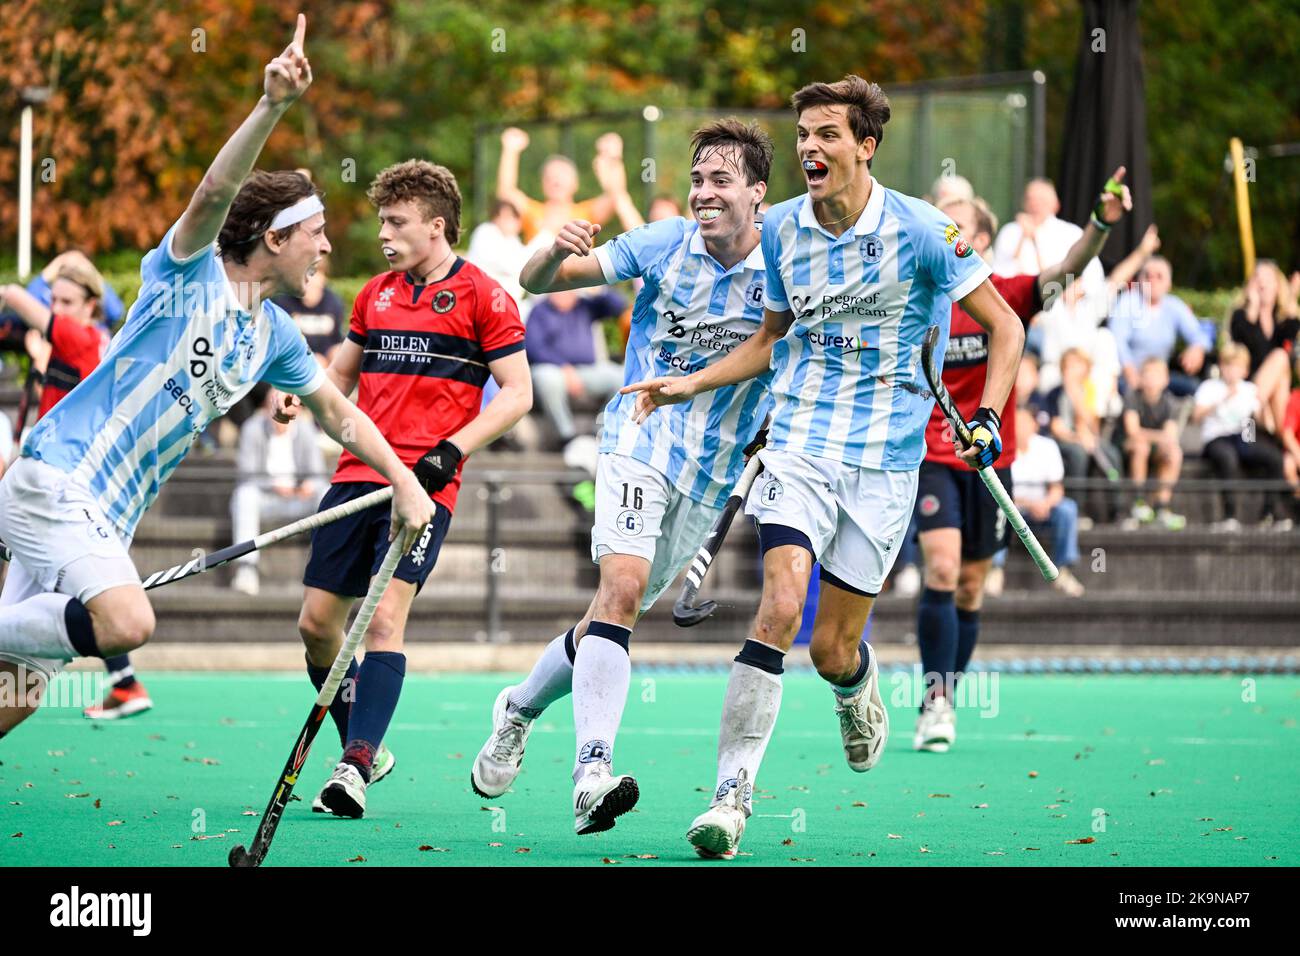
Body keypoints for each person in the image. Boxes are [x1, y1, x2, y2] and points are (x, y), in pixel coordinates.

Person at [0, 15, 434, 742]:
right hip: (60, 481)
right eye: (314, 232)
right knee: (127, 620)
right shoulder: (186, 274)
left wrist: (404, 479)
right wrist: (273, 105)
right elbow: (210, 194)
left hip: (107, 517)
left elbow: (339, 413)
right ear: (272, 238)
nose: (327, 245)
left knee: (16, 691)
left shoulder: (273, 335)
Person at [624, 76, 1023, 859]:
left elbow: (1004, 329)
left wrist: (987, 419)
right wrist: (691, 382)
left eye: (828, 134)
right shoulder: (780, 230)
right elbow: (773, 337)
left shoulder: (925, 230)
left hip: (886, 462)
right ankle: (731, 798)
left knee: (831, 650)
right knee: (778, 604)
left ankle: (853, 685)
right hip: (800, 441)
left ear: (865, 146)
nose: (810, 145)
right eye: (804, 133)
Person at [469, 119, 776, 839]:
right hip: (638, 432)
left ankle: (517, 709)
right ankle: (590, 774)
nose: (702, 192)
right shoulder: (663, 241)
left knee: (611, 612)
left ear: (758, 194)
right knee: (624, 587)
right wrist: (552, 251)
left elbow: (785, 346)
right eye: (697, 178)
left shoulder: (787, 257)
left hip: (714, 465)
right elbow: (538, 281)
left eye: (720, 180)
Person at [276, 158, 531, 818]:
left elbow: (519, 395)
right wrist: (298, 400)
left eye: (396, 222)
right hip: (355, 477)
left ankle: (355, 765)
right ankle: (364, 745)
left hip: (422, 489)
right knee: (315, 628)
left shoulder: (485, 296)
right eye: (382, 220)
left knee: (384, 618)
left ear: (436, 226)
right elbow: (340, 374)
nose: (383, 233)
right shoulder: (374, 294)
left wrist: (453, 450)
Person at [911, 167, 1132, 755]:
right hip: (932, 453)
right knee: (941, 567)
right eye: (939, 214)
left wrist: (1099, 227)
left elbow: (1065, 271)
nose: (945, 223)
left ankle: (948, 693)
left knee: (972, 588)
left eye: (958, 215)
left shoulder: (1005, 292)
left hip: (991, 456)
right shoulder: (914, 297)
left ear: (980, 238)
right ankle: (933, 701)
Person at [0, 263, 156, 720]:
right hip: (47, 484)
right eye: (55, 302)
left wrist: (11, 288)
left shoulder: (83, 339)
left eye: (67, 303)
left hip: (66, 494)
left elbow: (27, 309)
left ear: (92, 307)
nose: (56, 311)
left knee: (90, 604)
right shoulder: (75, 346)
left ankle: (125, 682)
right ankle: (124, 681)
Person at [230, 388, 327, 596]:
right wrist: (274, 486)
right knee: (245, 495)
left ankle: (327, 565)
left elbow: (318, 473)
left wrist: (308, 484)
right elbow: (246, 475)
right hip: (267, 499)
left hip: (299, 500)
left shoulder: (306, 430)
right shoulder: (252, 428)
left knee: (325, 493)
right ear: (267, 409)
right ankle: (246, 568)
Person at [1193, 343, 1290, 531]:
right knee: (1227, 458)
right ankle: (1229, 515)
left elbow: (1253, 424)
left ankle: (1270, 513)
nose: (1232, 371)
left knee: (1274, 457)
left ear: (1245, 370)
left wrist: (1264, 412)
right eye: (1229, 365)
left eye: (1237, 366)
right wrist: (1222, 399)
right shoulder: (1210, 387)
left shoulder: (1249, 389)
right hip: (1217, 436)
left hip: (1243, 434)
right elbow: (1196, 417)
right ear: (1222, 366)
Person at [496, 127, 625, 244]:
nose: (555, 180)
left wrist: (614, 158)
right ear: (542, 184)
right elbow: (506, 192)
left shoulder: (586, 213)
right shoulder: (533, 211)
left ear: (575, 183)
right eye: (550, 176)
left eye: (562, 175)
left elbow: (615, 196)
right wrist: (510, 151)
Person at [1110, 256, 1212, 397]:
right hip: (1129, 377)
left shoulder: (1174, 305)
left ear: (1168, 283)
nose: (1153, 280)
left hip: (1161, 379)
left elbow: (1200, 333)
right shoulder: (1127, 302)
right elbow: (1117, 342)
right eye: (1147, 275)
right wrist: (1130, 372)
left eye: (1159, 276)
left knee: (1197, 389)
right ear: (1139, 280)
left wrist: (1198, 348)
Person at [1009, 409, 1085, 595]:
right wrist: (1029, 504)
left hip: (1043, 508)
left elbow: (1057, 488)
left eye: (1025, 422)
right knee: (993, 508)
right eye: (1016, 422)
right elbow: (997, 490)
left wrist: (1045, 504)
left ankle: (1062, 571)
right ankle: (993, 571)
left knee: (1067, 509)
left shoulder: (1047, 446)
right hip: (1010, 509)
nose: (1020, 427)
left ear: (1035, 425)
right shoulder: (1000, 447)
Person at [991, 178, 1104, 289]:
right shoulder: (1009, 232)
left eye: (1042, 200)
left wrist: (1079, 290)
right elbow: (999, 273)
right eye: (1030, 199)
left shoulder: (1071, 233)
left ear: (1056, 204)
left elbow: (1093, 275)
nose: (1035, 205)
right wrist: (1023, 237)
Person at [1229, 259, 1299, 436]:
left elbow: (1290, 349)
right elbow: (1246, 350)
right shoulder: (1240, 317)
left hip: (1265, 400)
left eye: (1268, 278)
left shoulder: (1283, 320)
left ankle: (1252, 415)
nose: (1262, 283)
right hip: (1248, 385)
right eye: (1257, 278)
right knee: (1280, 359)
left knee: (1281, 363)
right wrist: (1252, 309)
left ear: (1277, 285)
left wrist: (1291, 298)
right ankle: (1285, 440)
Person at [1122, 357, 1186, 529]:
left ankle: (1161, 507)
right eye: (1147, 374)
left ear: (1166, 380)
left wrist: (1156, 438)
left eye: (1156, 375)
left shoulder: (1170, 402)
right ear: (1140, 378)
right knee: (1141, 447)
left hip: (1155, 450)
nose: (1151, 380)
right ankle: (1139, 503)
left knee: (1174, 453)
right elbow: (1133, 432)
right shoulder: (1132, 397)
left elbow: (1171, 436)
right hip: (1129, 449)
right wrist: (1159, 437)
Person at [271, 254, 347, 363]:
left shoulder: (334, 302)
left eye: (315, 274)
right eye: (306, 274)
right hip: (295, 361)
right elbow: (279, 344)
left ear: (324, 277)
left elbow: (337, 340)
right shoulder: (283, 303)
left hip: (326, 363)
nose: (310, 280)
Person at [466, 198, 530, 310]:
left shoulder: (514, 241)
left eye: (512, 217)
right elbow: (508, 265)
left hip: (506, 304)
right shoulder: (485, 232)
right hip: (482, 300)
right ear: (495, 217)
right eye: (504, 216)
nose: (508, 221)